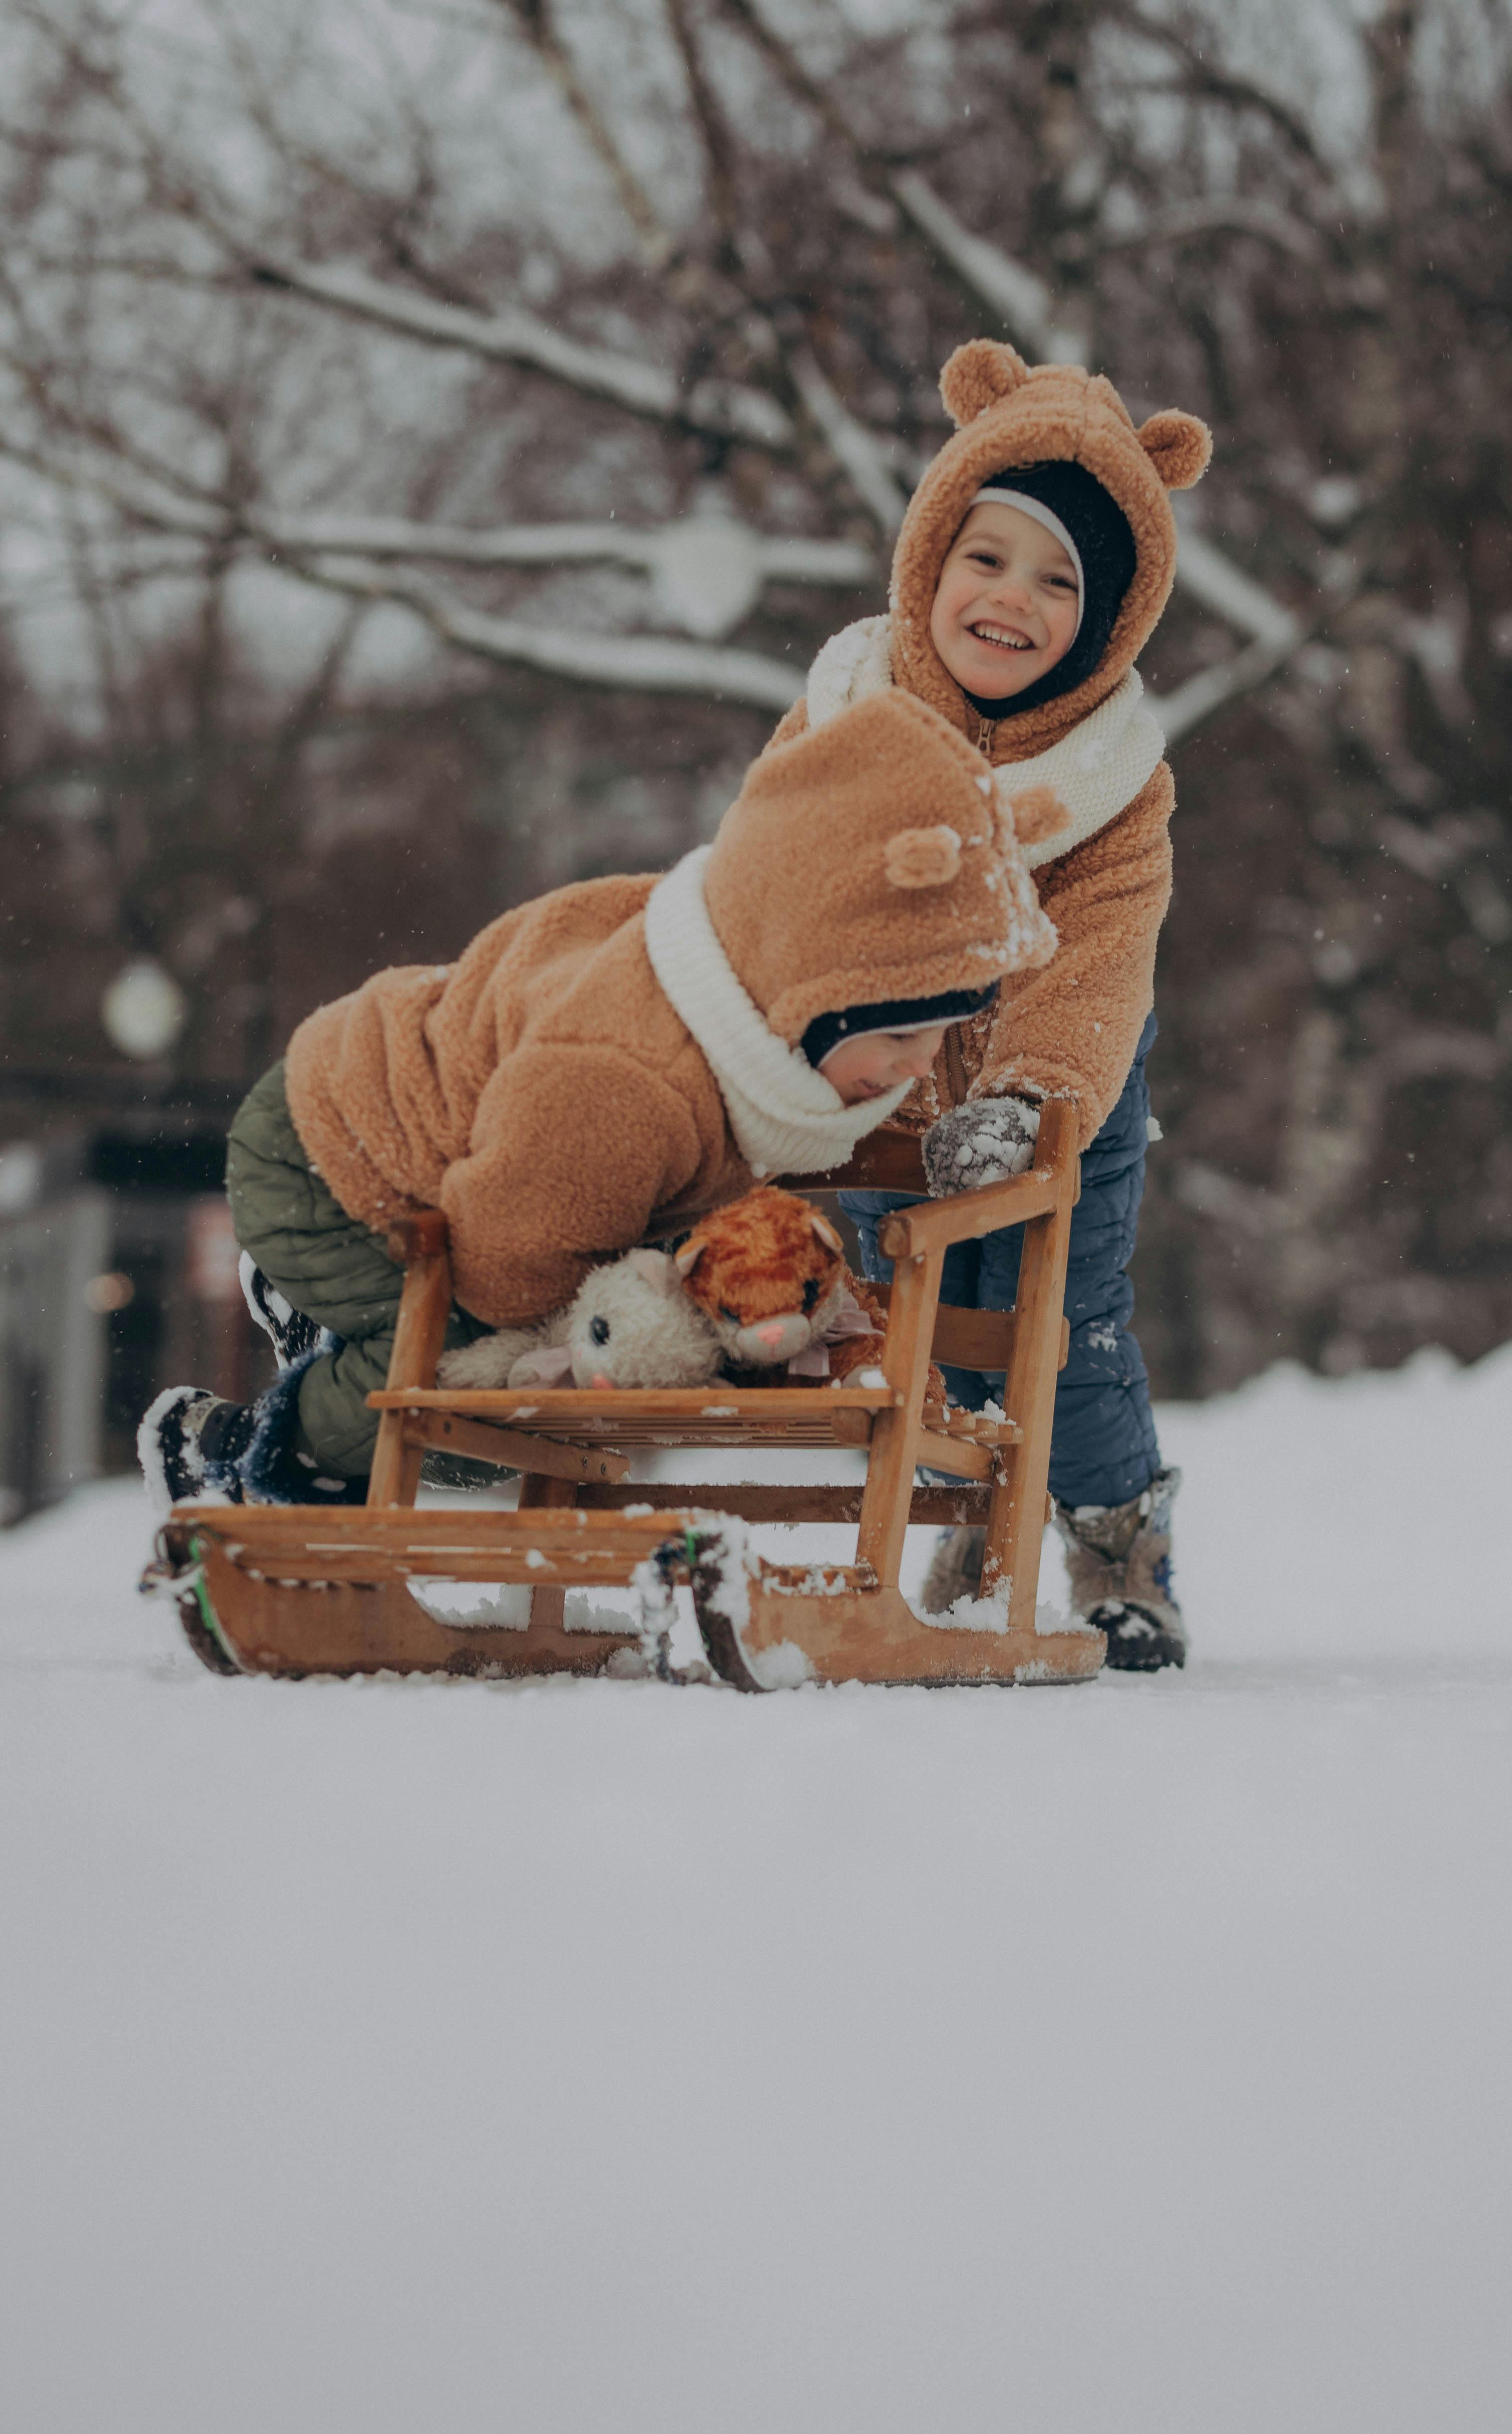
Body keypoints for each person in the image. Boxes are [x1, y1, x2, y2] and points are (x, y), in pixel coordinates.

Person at [140, 691, 1055, 1508]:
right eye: (900, 1034)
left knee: (526, 1383)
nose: (918, 1066)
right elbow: (506, 1268)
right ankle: (236, 1456)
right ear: (803, 998)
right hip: (334, 1172)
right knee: (470, 1401)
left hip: (432, 1159)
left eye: (941, 1035)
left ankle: (320, 1340)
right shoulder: (623, 1083)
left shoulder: (733, 997)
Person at [771, 337, 1212, 1669]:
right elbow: (768, 877)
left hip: (1059, 1089)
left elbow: (1099, 963)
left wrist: (1035, 1097)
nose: (1013, 598)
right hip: (877, 1079)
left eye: (1060, 580)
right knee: (897, 1324)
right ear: (929, 562)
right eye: (987, 557)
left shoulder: (1115, 782)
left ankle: (1116, 1545)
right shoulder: (843, 717)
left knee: (1047, 1331)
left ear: (1111, 617)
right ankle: (962, 1519)